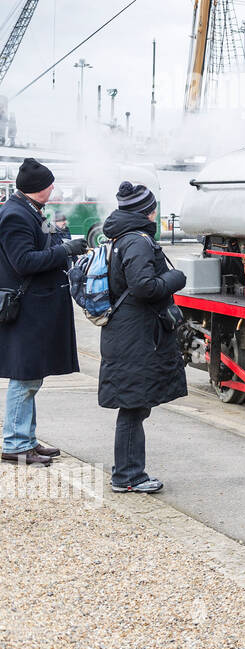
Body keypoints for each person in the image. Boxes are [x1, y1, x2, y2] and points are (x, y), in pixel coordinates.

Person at [97, 181, 187, 494]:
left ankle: (128, 473)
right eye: (152, 207)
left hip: (128, 332)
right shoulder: (136, 241)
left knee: (135, 404)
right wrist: (175, 279)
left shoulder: (122, 237)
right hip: (134, 334)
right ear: (145, 211)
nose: (155, 211)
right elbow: (143, 287)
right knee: (133, 406)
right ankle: (128, 475)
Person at [0, 158, 87, 466]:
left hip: (37, 306)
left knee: (31, 376)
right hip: (27, 309)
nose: (54, 188)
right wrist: (64, 251)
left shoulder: (32, 211)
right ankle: (14, 443)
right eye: (51, 184)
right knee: (24, 377)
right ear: (40, 189)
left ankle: (26, 439)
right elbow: (23, 261)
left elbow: (52, 239)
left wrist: (67, 243)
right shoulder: (15, 216)